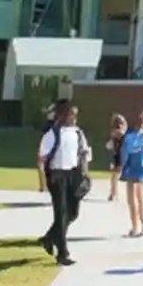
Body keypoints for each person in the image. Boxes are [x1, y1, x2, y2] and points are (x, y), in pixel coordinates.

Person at [36, 101, 91, 266]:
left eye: (75, 114)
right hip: (57, 175)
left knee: (72, 212)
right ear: (61, 115)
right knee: (61, 214)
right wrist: (43, 180)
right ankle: (62, 253)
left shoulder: (78, 133)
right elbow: (41, 157)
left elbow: (84, 153)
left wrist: (85, 170)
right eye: (71, 114)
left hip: (73, 174)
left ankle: (49, 238)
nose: (74, 118)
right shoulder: (52, 134)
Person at [120, 110, 143, 238]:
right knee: (140, 197)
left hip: (134, 166)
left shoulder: (132, 137)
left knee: (133, 199)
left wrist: (123, 166)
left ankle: (136, 227)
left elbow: (126, 153)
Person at [106, 114, 128, 202]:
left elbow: (109, 146)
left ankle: (113, 193)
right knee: (116, 175)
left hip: (116, 155)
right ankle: (114, 193)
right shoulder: (120, 133)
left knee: (114, 176)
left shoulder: (114, 133)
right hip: (119, 155)